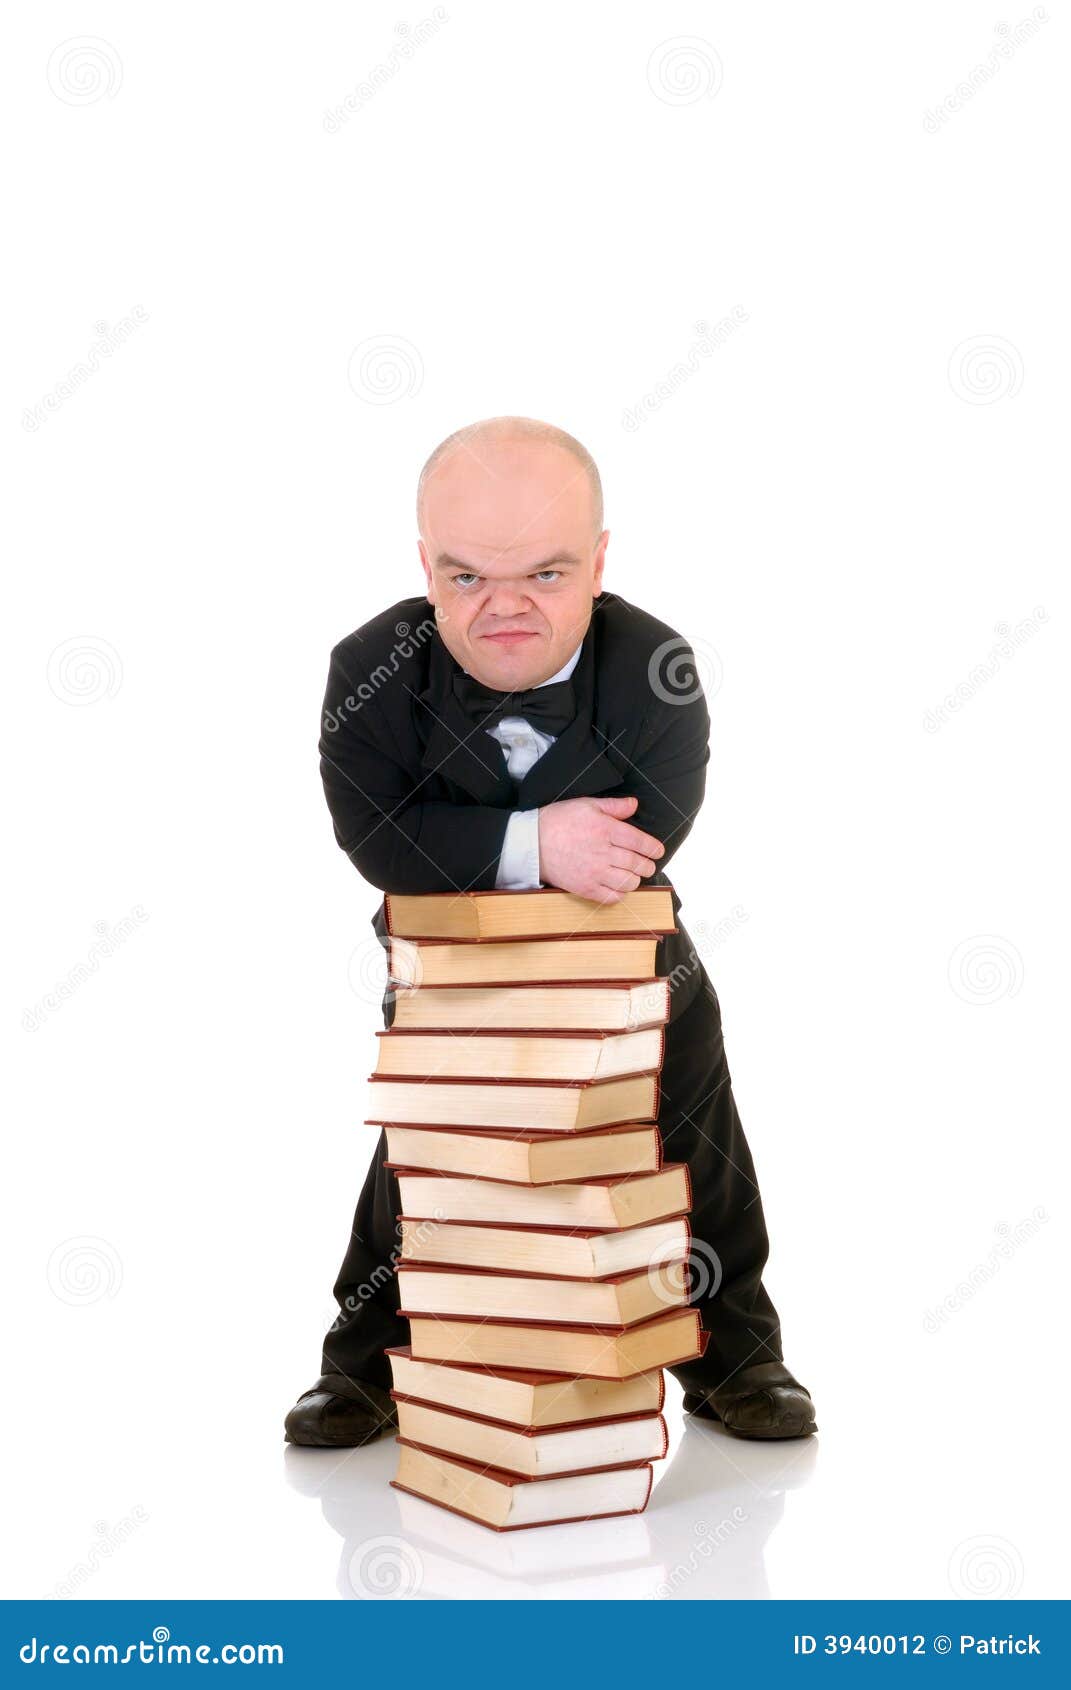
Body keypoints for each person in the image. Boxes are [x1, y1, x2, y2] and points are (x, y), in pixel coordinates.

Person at [285, 416, 816, 1447]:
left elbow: (636, 848)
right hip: (452, 971)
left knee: (696, 1129)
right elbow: (375, 840)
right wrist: (537, 840)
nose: (508, 606)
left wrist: (482, 844)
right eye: (468, 576)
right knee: (422, 1141)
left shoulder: (655, 662)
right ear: (424, 566)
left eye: (546, 572)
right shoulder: (369, 668)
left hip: (630, 960)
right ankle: (366, 1367)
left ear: (601, 562)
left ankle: (738, 1354)